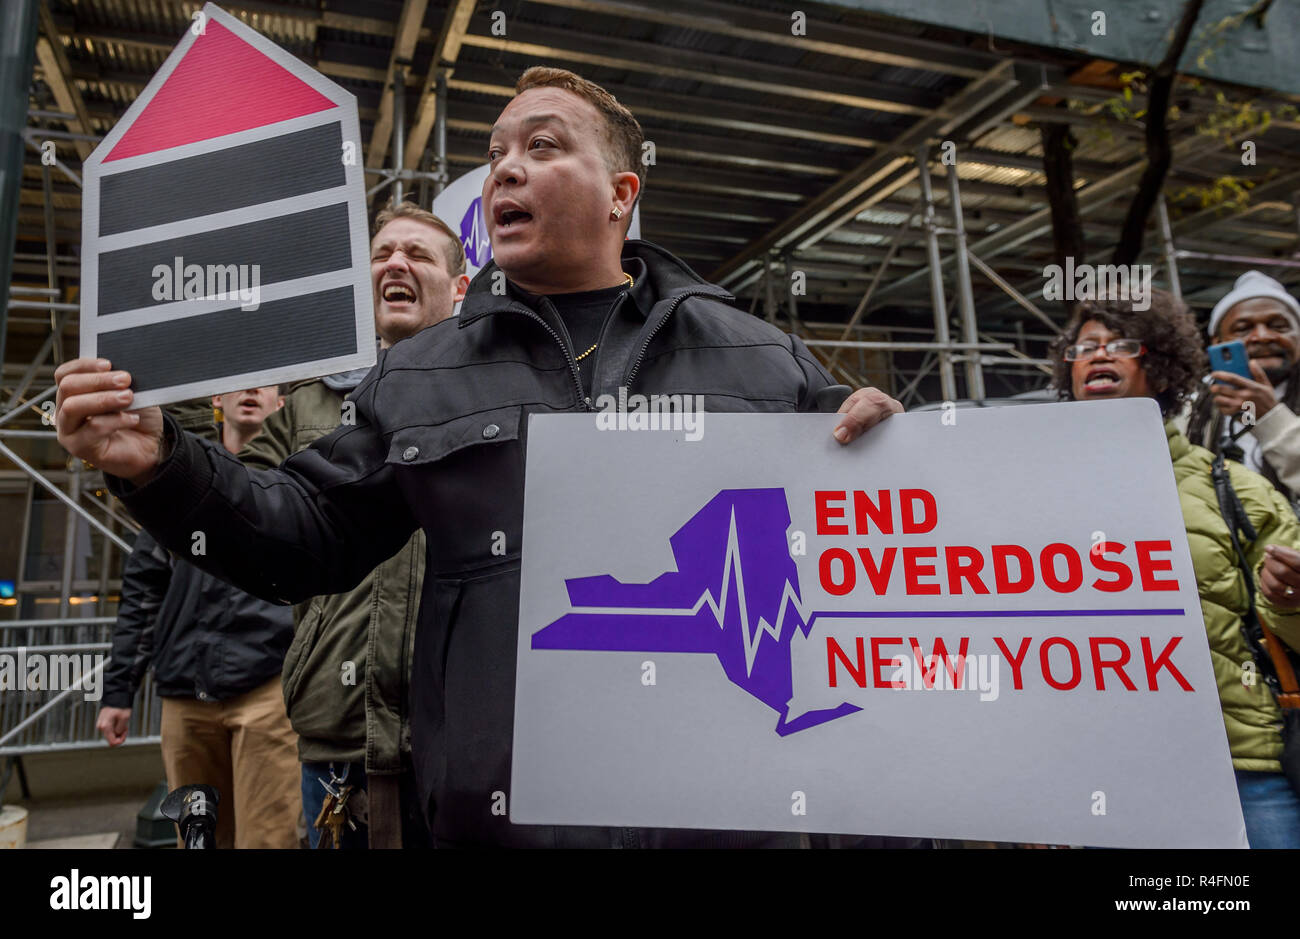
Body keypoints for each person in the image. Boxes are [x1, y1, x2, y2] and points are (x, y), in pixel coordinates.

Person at [55, 66, 901, 848]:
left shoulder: (760, 355)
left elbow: (877, 544)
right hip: (499, 819)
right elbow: (303, 533)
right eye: (494, 154)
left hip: (732, 816)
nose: (505, 169)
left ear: (621, 194)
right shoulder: (424, 371)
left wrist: (897, 442)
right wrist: (161, 459)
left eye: (541, 146)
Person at [240, 202, 469, 848]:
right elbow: (250, 516)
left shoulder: (496, 393)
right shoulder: (305, 400)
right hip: (336, 726)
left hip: (462, 729)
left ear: (461, 289)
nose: (396, 261)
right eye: (382, 254)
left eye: (418, 254)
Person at [1052, 288, 1300, 848]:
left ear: (1161, 368)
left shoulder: (1238, 489)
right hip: (1107, 772)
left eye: (1121, 344)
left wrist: (1287, 602)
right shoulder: (1029, 495)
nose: (1099, 354)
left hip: (1243, 768)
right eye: (1085, 346)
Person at [98, 386, 300, 849]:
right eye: (241, 382)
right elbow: (144, 586)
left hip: (268, 688)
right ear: (217, 401)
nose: (251, 389)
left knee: (268, 840)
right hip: (186, 691)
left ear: (282, 405)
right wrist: (118, 691)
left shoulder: (294, 483)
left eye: (266, 383)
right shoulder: (180, 480)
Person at [1187, 271, 1300, 504]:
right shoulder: (1193, 408)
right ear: (1218, 342)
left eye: (1278, 326)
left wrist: (1270, 417)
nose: (1262, 336)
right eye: (1243, 328)